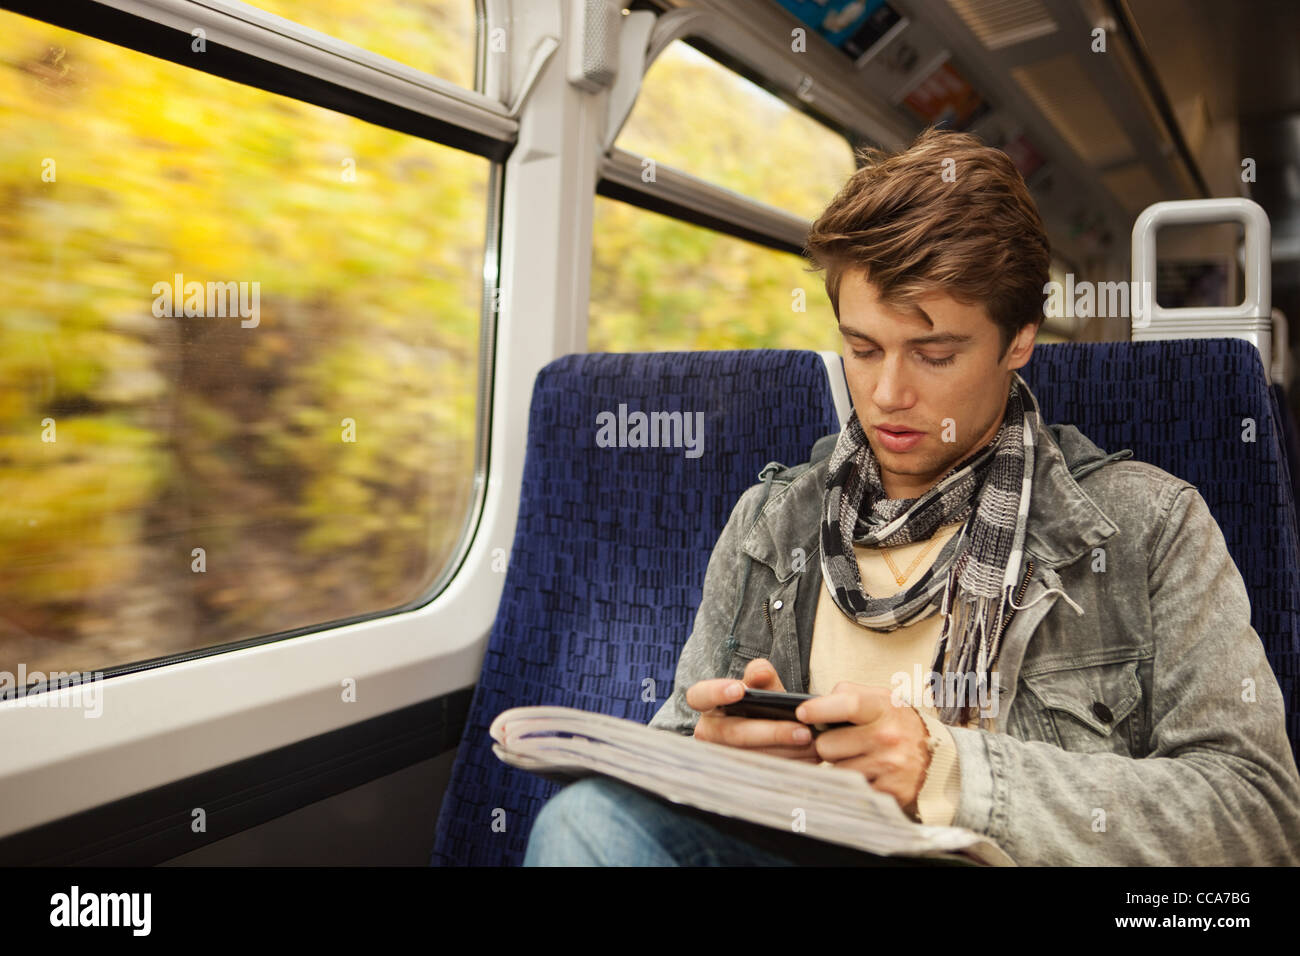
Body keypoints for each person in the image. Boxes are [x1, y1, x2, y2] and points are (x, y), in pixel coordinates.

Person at [524, 127, 1300, 866]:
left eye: (935, 353)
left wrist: (947, 772)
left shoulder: (1147, 527)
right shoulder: (771, 523)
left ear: (1020, 339)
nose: (889, 392)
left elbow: (1256, 814)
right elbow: (674, 743)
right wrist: (709, 760)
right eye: (862, 349)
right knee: (586, 822)